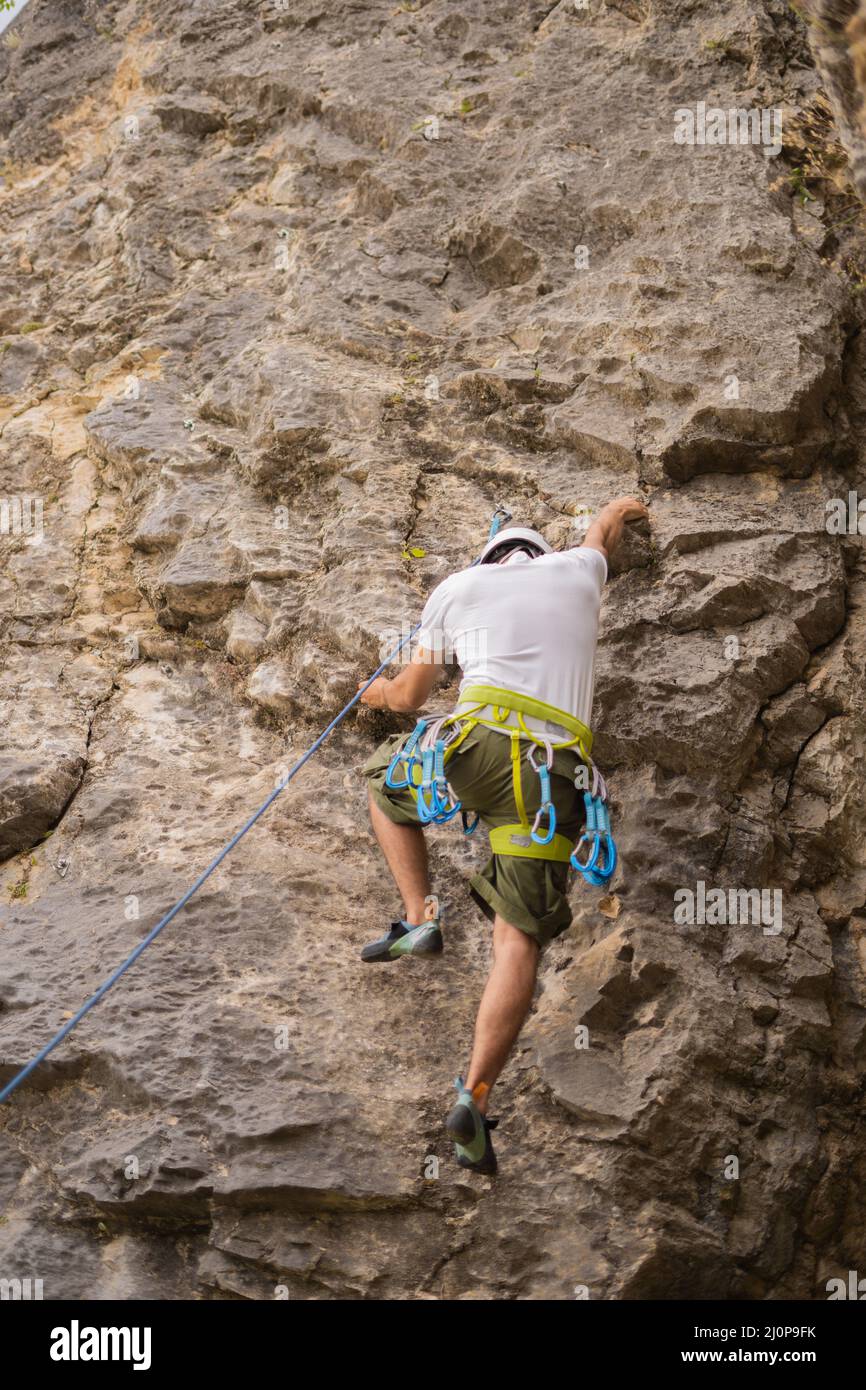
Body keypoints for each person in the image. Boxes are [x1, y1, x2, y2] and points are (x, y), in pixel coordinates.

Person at [358, 496, 648, 1172]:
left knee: (386, 784)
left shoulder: (457, 587)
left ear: (488, 558)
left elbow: (407, 698)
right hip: (552, 783)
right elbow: (602, 531)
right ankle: (475, 1098)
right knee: (517, 941)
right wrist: (625, 506)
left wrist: (373, 692)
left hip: (476, 750)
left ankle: (418, 918)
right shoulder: (579, 572)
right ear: (540, 558)